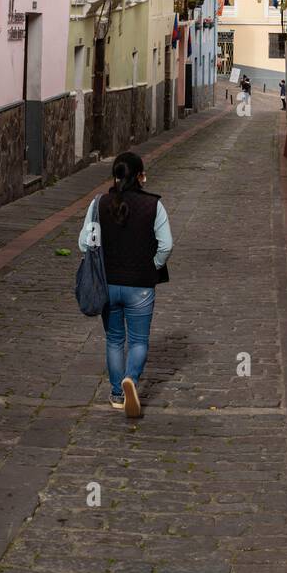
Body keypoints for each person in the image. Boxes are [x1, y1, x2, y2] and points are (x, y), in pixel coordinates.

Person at [78, 151, 173, 418]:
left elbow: (85, 243)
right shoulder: (154, 206)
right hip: (140, 285)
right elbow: (166, 245)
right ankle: (130, 378)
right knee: (139, 340)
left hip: (107, 283)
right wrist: (151, 266)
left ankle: (117, 395)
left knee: (115, 340)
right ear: (141, 176)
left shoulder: (99, 204)